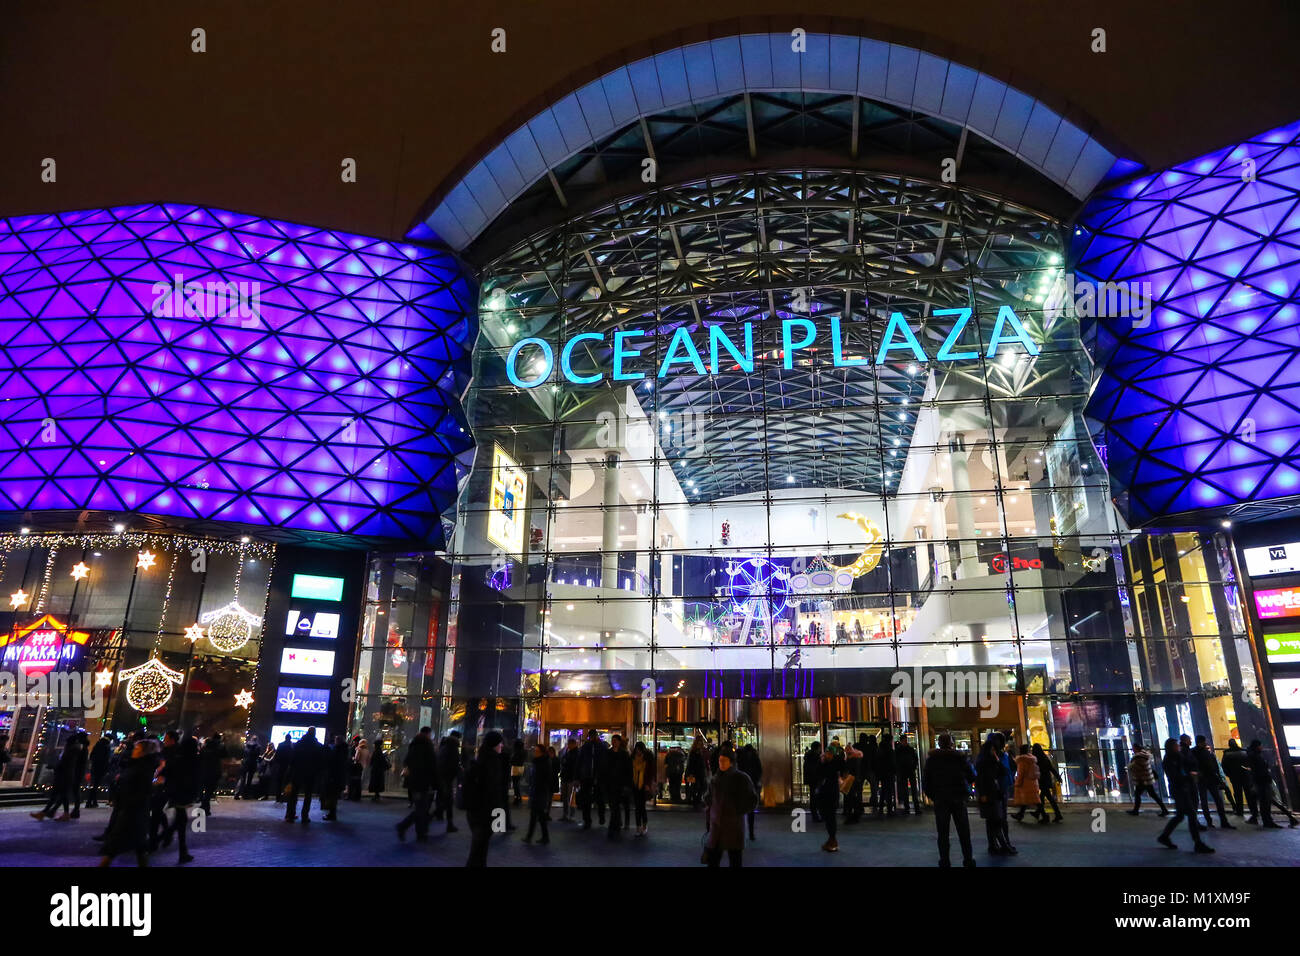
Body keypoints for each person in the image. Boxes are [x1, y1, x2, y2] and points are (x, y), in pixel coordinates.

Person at [98, 738, 159, 867]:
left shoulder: (142, 767)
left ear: (144, 752)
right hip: (132, 808)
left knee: (118, 842)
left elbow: (143, 789)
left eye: (137, 749)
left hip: (132, 809)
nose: (134, 750)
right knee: (139, 845)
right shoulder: (138, 764)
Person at [923, 733, 976, 867]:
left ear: (939, 744)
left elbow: (926, 781)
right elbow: (972, 775)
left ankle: (944, 860)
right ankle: (968, 859)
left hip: (941, 799)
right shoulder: (960, 758)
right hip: (958, 798)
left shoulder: (932, 760)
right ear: (951, 743)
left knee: (942, 833)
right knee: (964, 832)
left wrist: (933, 795)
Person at [702, 744, 757, 867]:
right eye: (720, 760)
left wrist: (738, 810)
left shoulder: (741, 778)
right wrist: (709, 804)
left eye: (724, 761)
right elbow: (709, 796)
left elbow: (752, 799)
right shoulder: (716, 779)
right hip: (717, 826)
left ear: (731, 762)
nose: (721, 763)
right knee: (714, 859)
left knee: (734, 858)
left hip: (733, 825)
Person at [1157, 737, 1213, 852]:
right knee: (1191, 814)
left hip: (1182, 788)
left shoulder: (1177, 757)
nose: (1178, 747)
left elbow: (1187, 765)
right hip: (1179, 789)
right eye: (1176, 745)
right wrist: (1189, 776)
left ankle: (1164, 836)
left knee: (1180, 815)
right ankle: (1197, 843)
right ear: (1171, 747)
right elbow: (1174, 776)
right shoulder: (1169, 760)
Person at [464, 731, 506, 867]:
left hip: (475, 810)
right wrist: (499, 815)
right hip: (485, 811)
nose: (502, 746)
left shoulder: (480, 758)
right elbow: (492, 789)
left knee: (479, 847)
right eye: (500, 743)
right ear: (494, 744)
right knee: (479, 848)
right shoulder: (492, 761)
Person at [158, 731, 199, 863]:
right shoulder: (194, 760)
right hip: (184, 794)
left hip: (175, 792)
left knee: (181, 821)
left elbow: (165, 771)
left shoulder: (178, 758)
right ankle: (165, 838)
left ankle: (181, 850)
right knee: (180, 821)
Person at [975, 733, 1016, 856]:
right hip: (991, 793)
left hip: (995, 792)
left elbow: (1005, 771)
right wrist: (982, 794)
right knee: (997, 819)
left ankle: (995, 845)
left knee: (995, 819)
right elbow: (981, 778)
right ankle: (1003, 845)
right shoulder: (985, 761)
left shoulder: (995, 758)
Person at [395, 727, 437, 841]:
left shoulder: (413, 745)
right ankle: (404, 826)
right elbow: (432, 765)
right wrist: (435, 782)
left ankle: (420, 833)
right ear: (428, 734)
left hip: (414, 781)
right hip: (423, 781)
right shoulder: (427, 746)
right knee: (421, 808)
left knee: (421, 807)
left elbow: (407, 761)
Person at [1246, 739, 1298, 827]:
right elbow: (1261, 770)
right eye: (1260, 746)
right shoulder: (1256, 757)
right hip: (1263, 782)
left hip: (1260, 782)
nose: (1261, 747)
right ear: (1256, 746)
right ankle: (1270, 820)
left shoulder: (1253, 756)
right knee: (1268, 802)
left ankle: (1268, 820)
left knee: (1267, 801)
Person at [32, 733, 85, 822]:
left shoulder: (71, 751)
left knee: (61, 795)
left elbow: (65, 763)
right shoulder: (74, 750)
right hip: (66, 775)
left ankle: (61, 813)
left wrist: (54, 767)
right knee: (58, 795)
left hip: (64, 775)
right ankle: (47, 812)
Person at [1193, 735, 1235, 829]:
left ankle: (1211, 822)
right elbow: (1213, 766)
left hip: (1205, 779)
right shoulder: (1206, 753)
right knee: (1216, 800)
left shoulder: (1195, 752)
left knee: (1206, 801)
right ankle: (1222, 821)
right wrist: (1219, 778)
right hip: (1209, 779)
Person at [285, 728, 324, 823]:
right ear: (314, 733)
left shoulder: (298, 744)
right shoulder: (317, 745)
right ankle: (305, 816)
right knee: (308, 795)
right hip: (310, 773)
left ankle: (290, 814)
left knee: (293, 794)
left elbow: (292, 758)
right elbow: (320, 761)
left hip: (297, 772)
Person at [815, 746, 845, 851]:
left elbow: (823, 773)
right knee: (828, 816)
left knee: (830, 817)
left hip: (830, 793)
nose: (826, 754)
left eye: (828, 753)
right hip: (827, 793)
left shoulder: (835, 763)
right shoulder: (828, 763)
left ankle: (832, 840)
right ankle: (831, 839)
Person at [523, 743, 554, 844]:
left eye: (536, 751)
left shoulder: (544, 763)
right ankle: (538, 836)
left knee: (538, 815)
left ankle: (533, 836)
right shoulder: (538, 762)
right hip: (537, 791)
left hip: (540, 792)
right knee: (538, 816)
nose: (534, 753)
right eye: (534, 751)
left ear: (541, 752)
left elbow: (545, 778)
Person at [604, 734, 633, 837]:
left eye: (615, 740)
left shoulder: (624, 754)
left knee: (615, 805)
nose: (614, 742)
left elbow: (629, 770)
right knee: (613, 805)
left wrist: (627, 784)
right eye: (613, 740)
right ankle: (616, 824)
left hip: (620, 783)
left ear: (619, 742)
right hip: (611, 783)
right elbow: (605, 768)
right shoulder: (609, 753)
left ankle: (614, 825)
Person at [578, 731, 609, 828]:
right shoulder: (588, 747)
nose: (592, 738)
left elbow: (579, 762)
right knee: (590, 799)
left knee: (598, 799)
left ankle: (596, 818)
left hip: (596, 777)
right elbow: (579, 762)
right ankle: (589, 820)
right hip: (589, 777)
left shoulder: (598, 747)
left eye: (593, 736)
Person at [1126, 745, 1167, 816]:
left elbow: (1133, 766)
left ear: (1136, 749)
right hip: (1147, 778)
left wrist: (1129, 766)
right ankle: (1164, 809)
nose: (1133, 750)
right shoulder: (1145, 755)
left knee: (1139, 794)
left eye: (1133, 749)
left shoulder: (1139, 757)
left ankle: (1136, 811)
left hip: (1142, 779)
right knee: (1151, 794)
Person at [1031, 743, 1064, 822]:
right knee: (1043, 798)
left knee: (1045, 798)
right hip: (1046, 780)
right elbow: (1051, 768)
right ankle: (1041, 813)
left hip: (1042, 781)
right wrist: (1058, 777)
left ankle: (1046, 815)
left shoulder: (1037, 759)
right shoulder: (1044, 757)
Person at [1010, 744, 1043, 822]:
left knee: (1029, 800)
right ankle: (1020, 814)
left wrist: (1017, 783)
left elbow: (1021, 773)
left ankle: (1044, 815)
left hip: (1026, 783)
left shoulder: (1022, 761)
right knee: (1033, 800)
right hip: (1033, 782)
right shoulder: (1032, 759)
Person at [736, 743, 762, 839]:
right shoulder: (755, 757)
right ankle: (751, 832)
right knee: (751, 810)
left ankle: (740, 831)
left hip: (741, 786)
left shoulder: (740, 758)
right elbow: (759, 770)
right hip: (752, 785)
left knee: (740, 810)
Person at [1220, 739, 1251, 818]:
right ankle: (1253, 810)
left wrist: (1229, 774)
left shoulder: (1227, 753)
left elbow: (1224, 765)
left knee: (1238, 794)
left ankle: (1240, 811)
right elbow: (1248, 762)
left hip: (1234, 776)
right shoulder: (1244, 751)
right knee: (1248, 793)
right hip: (1245, 775)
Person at [436, 732, 461, 831]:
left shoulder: (444, 747)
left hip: (442, 777)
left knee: (443, 798)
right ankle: (448, 823)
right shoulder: (453, 749)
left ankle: (439, 815)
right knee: (448, 801)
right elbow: (454, 764)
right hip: (447, 778)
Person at [631, 740, 656, 837]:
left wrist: (648, 784)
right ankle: (638, 827)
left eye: (639, 750)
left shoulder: (647, 759)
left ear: (642, 750)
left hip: (644, 786)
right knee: (638, 807)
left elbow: (650, 773)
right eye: (636, 750)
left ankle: (644, 826)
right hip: (635, 785)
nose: (638, 752)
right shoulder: (632, 758)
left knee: (641, 807)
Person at [323, 735, 350, 821]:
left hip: (334, 776)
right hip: (340, 776)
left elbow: (333, 763)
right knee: (334, 796)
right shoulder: (345, 750)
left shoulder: (337, 750)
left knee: (332, 796)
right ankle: (332, 813)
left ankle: (332, 814)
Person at [198, 733, 224, 815]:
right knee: (209, 792)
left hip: (204, 772)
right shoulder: (217, 749)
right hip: (214, 773)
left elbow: (199, 759)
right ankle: (204, 807)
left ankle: (205, 808)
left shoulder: (204, 749)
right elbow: (224, 754)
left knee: (204, 790)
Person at [895, 735, 921, 814]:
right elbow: (915, 759)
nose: (905, 742)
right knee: (911, 790)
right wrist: (913, 766)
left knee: (907, 790)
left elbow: (897, 761)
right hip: (908, 771)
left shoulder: (899, 750)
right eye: (904, 740)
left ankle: (909, 807)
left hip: (905, 771)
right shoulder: (910, 749)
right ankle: (914, 807)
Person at [86, 735, 112, 809]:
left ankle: (91, 801)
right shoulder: (107, 748)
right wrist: (106, 769)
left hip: (94, 768)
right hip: (101, 769)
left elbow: (91, 756)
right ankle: (92, 801)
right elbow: (106, 759)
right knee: (96, 786)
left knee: (93, 785)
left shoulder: (96, 746)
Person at [875, 732, 897, 816]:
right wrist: (894, 770)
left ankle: (881, 808)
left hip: (882, 773)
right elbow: (892, 762)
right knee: (888, 791)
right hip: (889, 773)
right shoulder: (889, 749)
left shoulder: (880, 749)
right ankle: (889, 809)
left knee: (884, 790)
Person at [842, 738, 863, 823]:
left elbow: (850, 770)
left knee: (850, 798)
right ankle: (855, 814)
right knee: (853, 798)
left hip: (851, 780)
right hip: (853, 780)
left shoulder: (851, 759)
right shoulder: (856, 758)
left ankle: (851, 816)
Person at [559, 737, 580, 820]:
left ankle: (569, 814)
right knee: (567, 797)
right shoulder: (568, 752)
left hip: (570, 777)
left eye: (569, 744)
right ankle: (568, 814)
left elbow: (567, 763)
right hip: (568, 777)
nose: (568, 745)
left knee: (570, 797)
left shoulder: (574, 753)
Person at [270, 733, 293, 803]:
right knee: (286, 782)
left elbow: (277, 755)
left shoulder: (280, 744)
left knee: (279, 782)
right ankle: (285, 797)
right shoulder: (291, 745)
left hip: (280, 765)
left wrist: (276, 763)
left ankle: (278, 797)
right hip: (288, 766)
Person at [686, 736, 707, 810]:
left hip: (699, 772)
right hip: (696, 772)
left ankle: (696, 801)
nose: (700, 743)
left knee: (700, 787)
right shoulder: (695, 752)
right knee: (697, 787)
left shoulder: (698, 751)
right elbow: (691, 763)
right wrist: (691, 773)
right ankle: (696, 801)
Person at [861, 733, 879, 814]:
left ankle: (859, 803)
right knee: (874, 787)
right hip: (872, 770)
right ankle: (874, 801)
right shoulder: (874, 747)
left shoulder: (863, 747)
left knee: (860, 787)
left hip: (864, 769)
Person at [349, 737, 369, 801]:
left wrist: (352, 758)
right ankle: (358, 795)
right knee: (359, 781)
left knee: (354, 781)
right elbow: (368, 760)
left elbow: (356, 759)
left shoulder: (359, 749)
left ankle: (353, 795)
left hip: (357, 767)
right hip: (363, 766)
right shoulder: (367, 751)